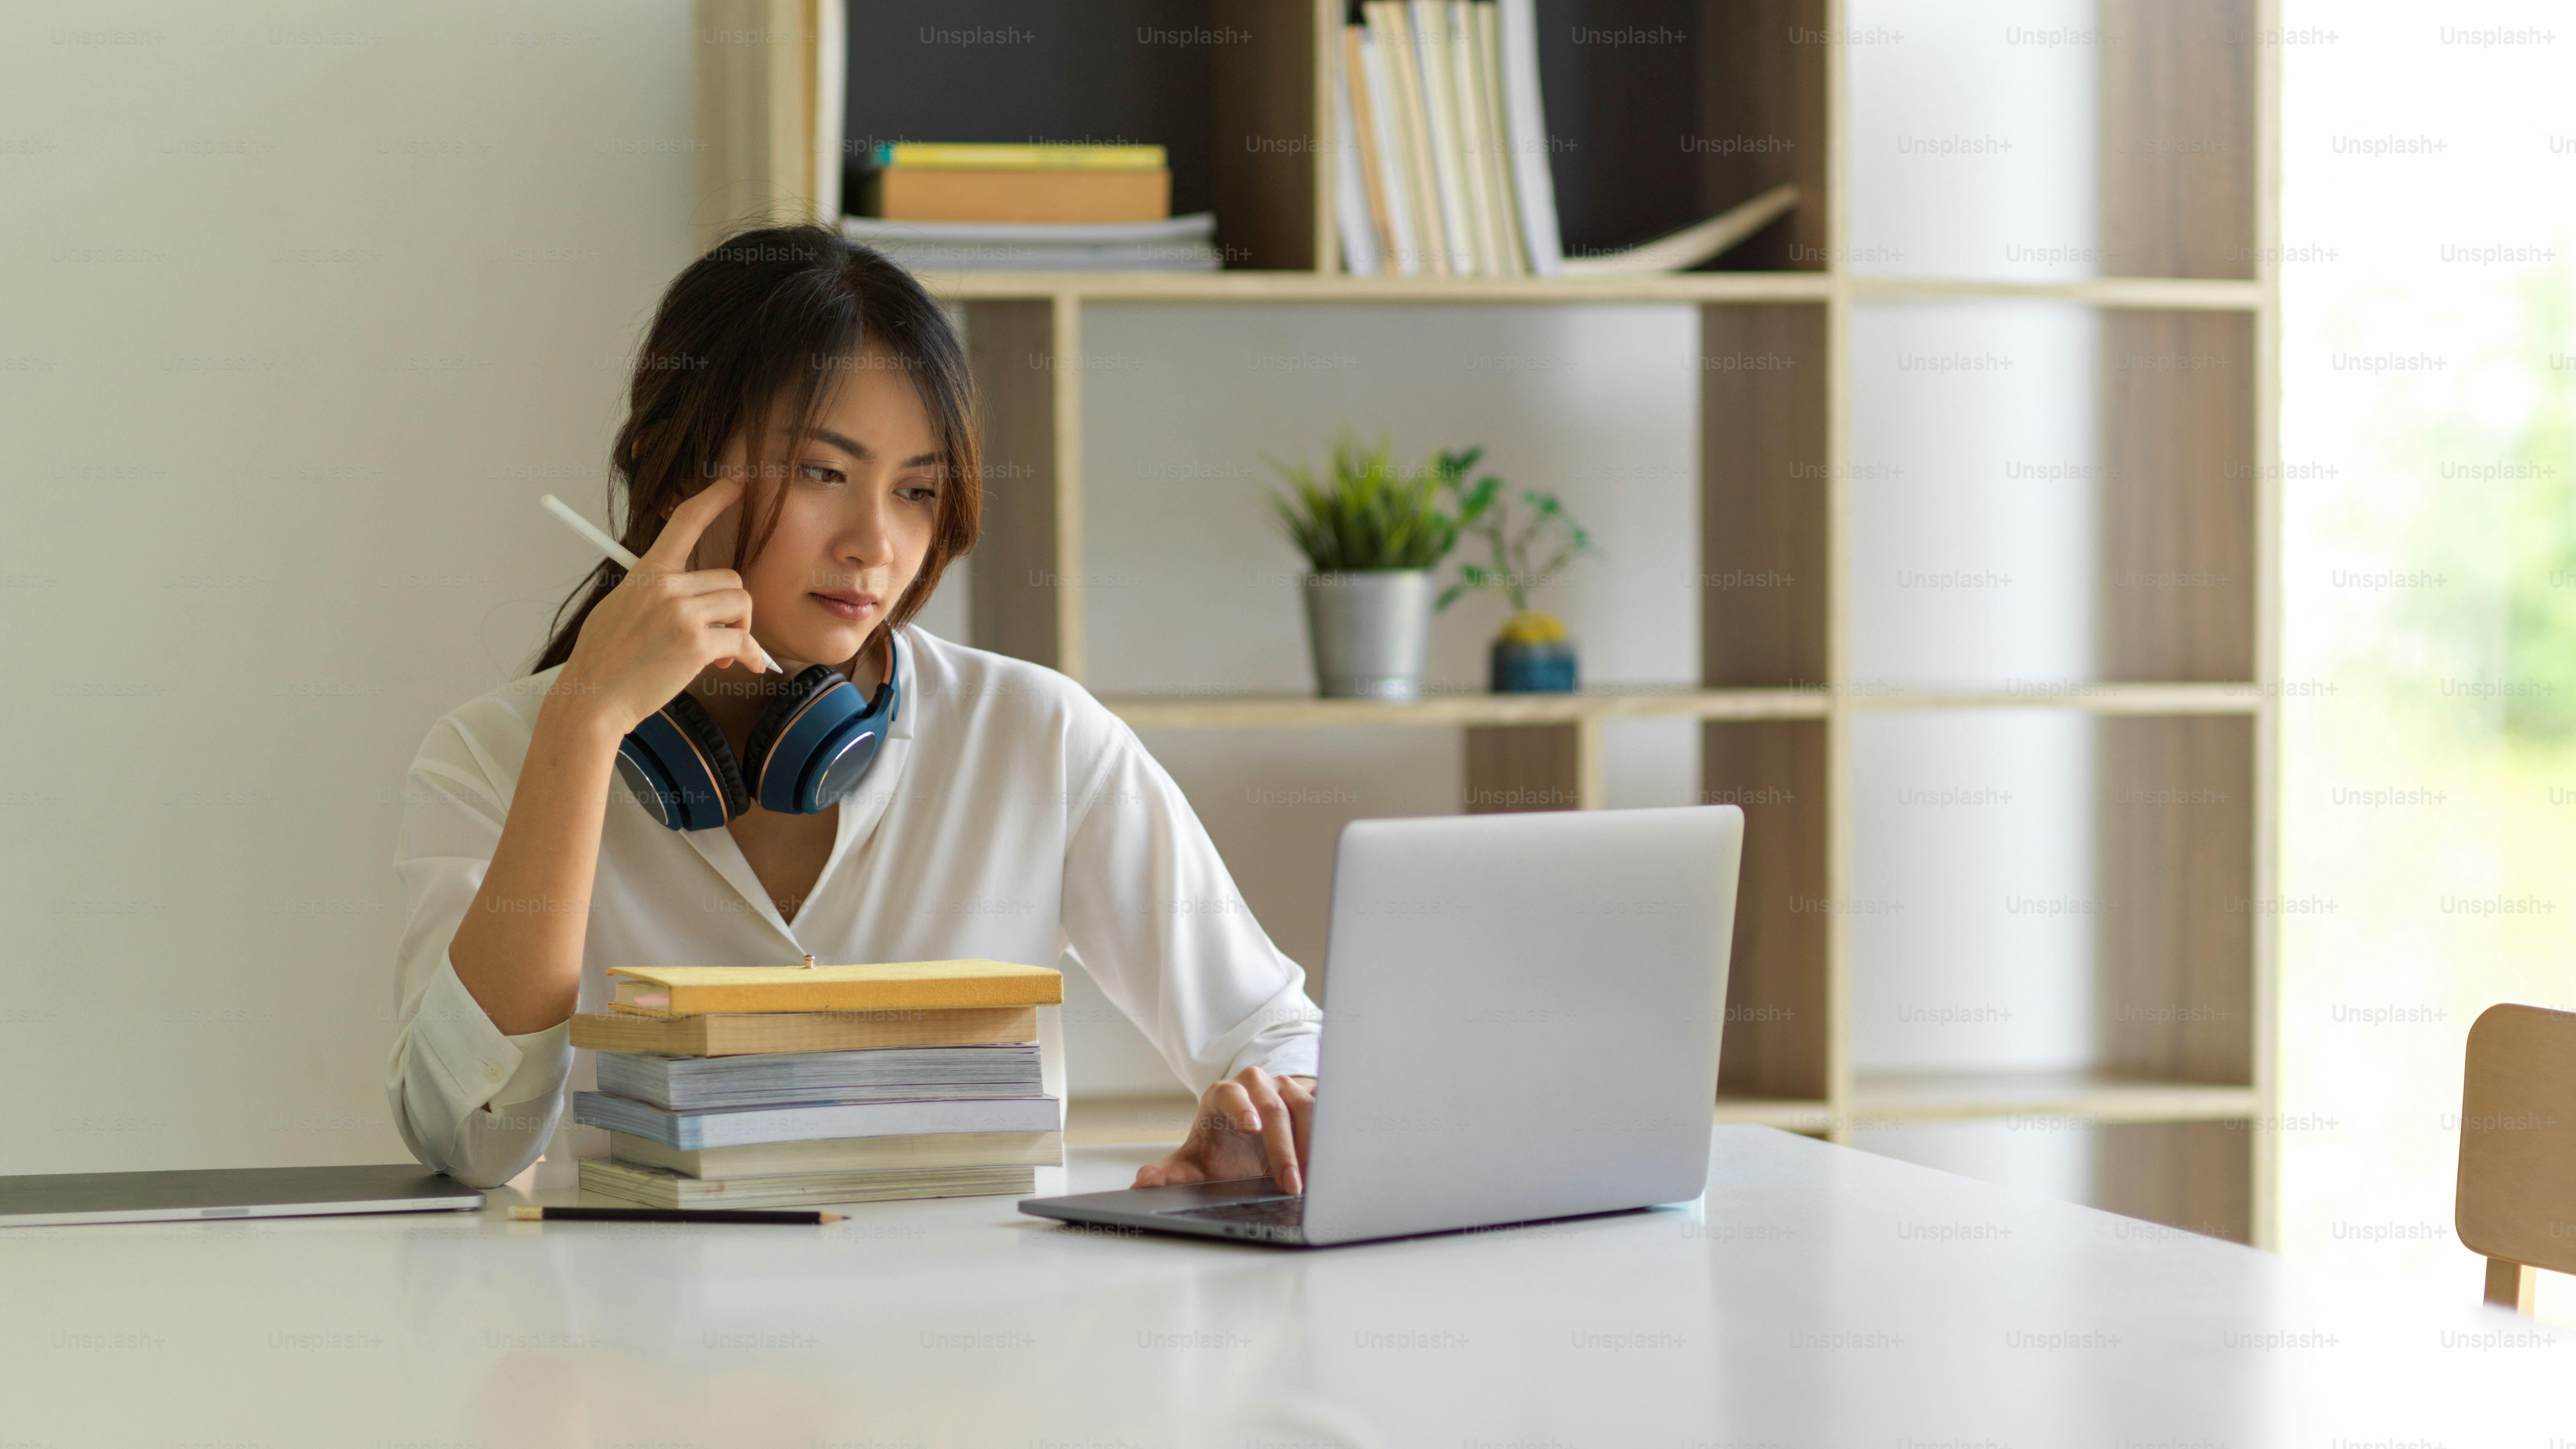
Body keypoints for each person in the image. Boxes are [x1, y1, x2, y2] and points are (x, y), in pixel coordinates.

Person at [385, 224, 1319, 1192]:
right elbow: (472, 1144)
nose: (876, 543)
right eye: (823, 474)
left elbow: (1279, 1031)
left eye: (917, 490)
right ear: (676, 469)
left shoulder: (1036, 736)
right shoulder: (491, 757)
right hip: (637, 1333)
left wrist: (1267, 1116)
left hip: (981, 1331)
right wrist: (579, 732)